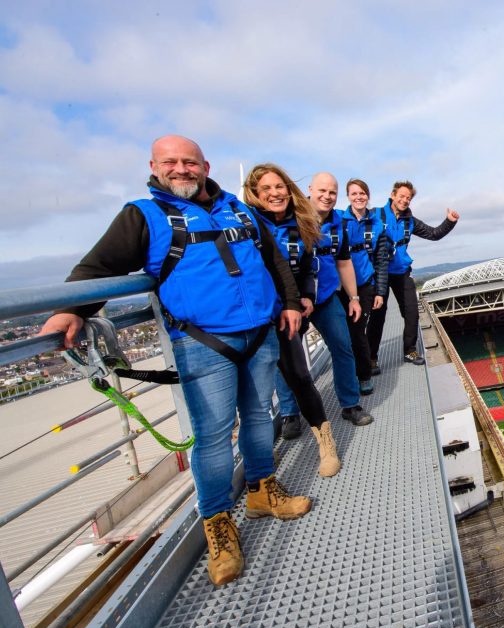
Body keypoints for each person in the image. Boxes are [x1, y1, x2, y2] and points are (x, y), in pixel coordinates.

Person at [39, 135, 310, 586]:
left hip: (261, 333)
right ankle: (218, 523)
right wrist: (71, 310)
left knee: (260, 417)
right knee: (214, 437)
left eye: (189, 161)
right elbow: (97, 268)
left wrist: (290, 302)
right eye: (171, 162)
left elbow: (274, 259)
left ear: (205, 166)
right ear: (154, 167)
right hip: (203, 342)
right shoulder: (143, 216)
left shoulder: (239, 210)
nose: (181, 169)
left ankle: (262, 490)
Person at [243, 164, 373, 441]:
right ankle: (290, 413)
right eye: (322, 190)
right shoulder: (286, 219)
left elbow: (342, 262)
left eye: (332, 192)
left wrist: (353, 298)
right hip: (283, 303)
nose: (327, 196)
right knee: (287, 359)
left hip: (323, 297)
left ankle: (350, 404)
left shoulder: (338, 225)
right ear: (309, 191)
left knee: (343, 347)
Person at [367, 181, 459, 368]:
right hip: (380, 272)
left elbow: (433, 234)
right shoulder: (375, 214)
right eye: (401, 196)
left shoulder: (409, 220)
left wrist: (449, 221)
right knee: (378, 316)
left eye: (408, 198)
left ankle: (409, 350)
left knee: (412, 312)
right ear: (393, 195)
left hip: (401, 272)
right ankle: (371, 358)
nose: (404, 200)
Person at [335, 178, 389, 392]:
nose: (359, 197)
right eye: (354, 193)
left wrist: (380, 291)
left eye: (362, 193)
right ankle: (348, 377)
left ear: (368, 196)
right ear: (348, 197)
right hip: (340, 287)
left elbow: (381, 261)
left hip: (364, 285)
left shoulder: (377, 225)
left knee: (357, 332)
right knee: (343, 335)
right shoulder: (338, 220)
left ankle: (364, 376)